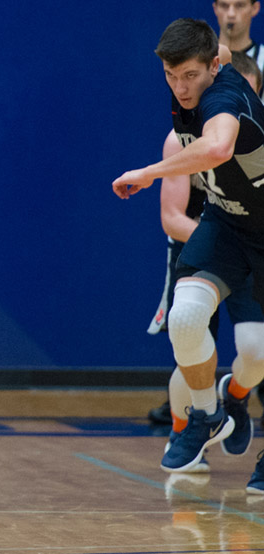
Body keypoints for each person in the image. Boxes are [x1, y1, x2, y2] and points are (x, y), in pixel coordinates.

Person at [112, 18, 264, 474]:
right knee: (186, 317)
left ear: (214, 67)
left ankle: (235, 397)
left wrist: (148, 172)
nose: (180, 87)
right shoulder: (198, 74)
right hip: (227, 222)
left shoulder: (224, 96)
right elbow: (206, 39)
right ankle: (205, 413)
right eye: (170, 76)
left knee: (256, 351)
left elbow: (217, 149)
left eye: (190, 76)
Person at [146, 50, 263, 429]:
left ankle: (236, 398)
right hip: (208, 241)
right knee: (188, 332)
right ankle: (190, 431)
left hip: (250, 242)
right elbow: (171, 218)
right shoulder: (182, 137)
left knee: (256, 349)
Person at [213, 0, 264, 99]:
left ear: (255, 8)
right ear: (215, 8)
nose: (231, 14)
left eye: (240, 5)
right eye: (224, 6)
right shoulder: (199, 58)